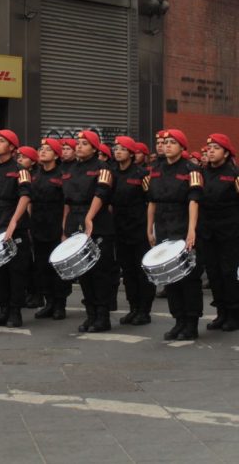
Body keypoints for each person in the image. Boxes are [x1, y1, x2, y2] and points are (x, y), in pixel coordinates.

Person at [147, 129, 204, 340]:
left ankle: (191, 322)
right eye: (165, 142)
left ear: (182, 147)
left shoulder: (192, 169)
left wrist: (191, 231)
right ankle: (178, 320)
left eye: (172, 142)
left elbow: (194, 201)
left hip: (182, 225)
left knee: (188, 277)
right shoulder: (156, 169)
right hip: (163, 226)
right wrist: (150, 227)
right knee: (169, 276)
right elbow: (152, 200)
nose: (167, 145)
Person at [63, 130, 117, 333]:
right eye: (78, 142)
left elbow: (101, 193)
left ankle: (103, 317)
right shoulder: (70, 169)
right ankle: (91, 315)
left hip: (97, 223)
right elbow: (66, 201)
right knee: (83, 271)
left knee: (99, 272)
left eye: (85, 143)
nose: (79, 146)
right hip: (75, 222)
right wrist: (65, 229)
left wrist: (89, 218)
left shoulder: (103, 168)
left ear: (94, 148)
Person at [0, 130, 33, 328]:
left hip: (13, 228)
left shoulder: (20, 170)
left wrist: (13, 223)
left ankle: (15, 311)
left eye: (2, 141)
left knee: (15, 271)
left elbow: (25, 196)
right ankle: (2, 310)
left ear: (12, 147)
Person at [197, 133, 239, 332]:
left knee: (229, 273)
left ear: (226, 153)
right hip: (207, 231)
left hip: (229, 231)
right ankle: (220, 312)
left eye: (216, 148)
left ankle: (233, 315)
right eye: (209, 148)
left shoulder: (235, 175)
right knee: (214, 273)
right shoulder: (201, 173)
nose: (211, 152)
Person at [111, 136, 152, 325]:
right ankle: (133, 307)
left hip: (139, 228)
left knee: (140, 271)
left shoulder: (142, 174)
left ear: (131, 153)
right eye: (116, 148)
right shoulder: (112, 173)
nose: (118, 151)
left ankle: (144, 310)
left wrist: (150, 228)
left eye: (122, 149)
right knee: (127, 272)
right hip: (120, 228)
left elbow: (150, 200)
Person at [29, 137, 69, 321]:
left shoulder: (62, 175)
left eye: (47, 149)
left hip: (55, 226)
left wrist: (63, 230)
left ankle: (60, 304)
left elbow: (67, 204)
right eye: (41, 148)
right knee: (41, 267)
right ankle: (48, 302)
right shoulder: (35, 175)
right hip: (38, 225)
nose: (42, 151)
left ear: (56, 154)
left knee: (57, 267)